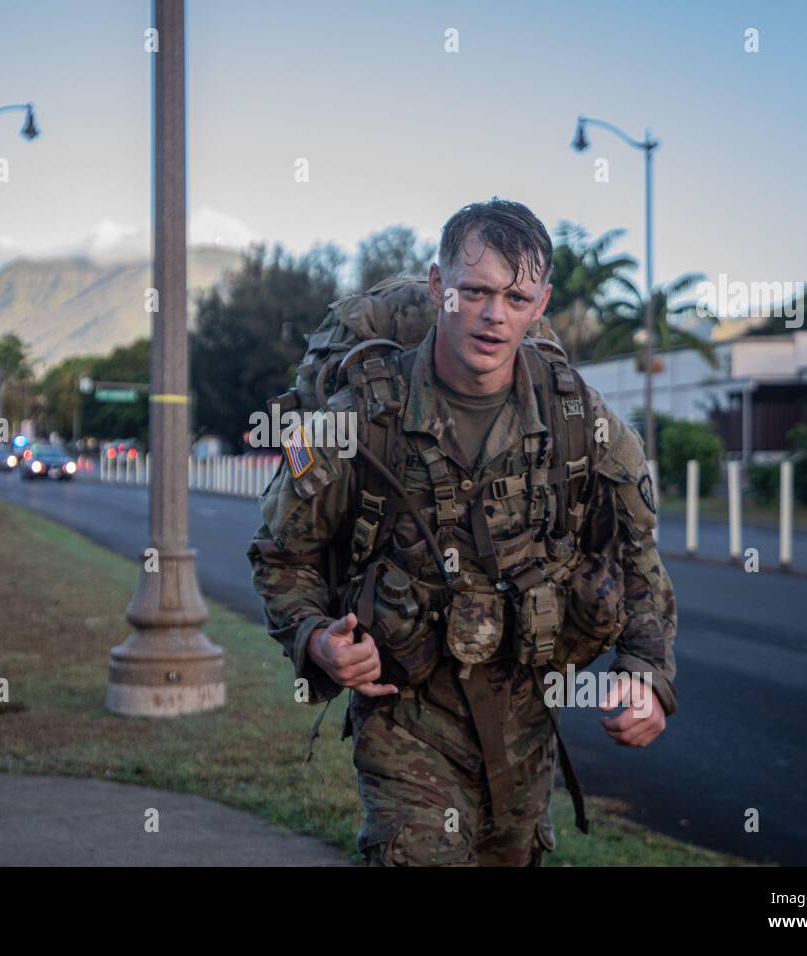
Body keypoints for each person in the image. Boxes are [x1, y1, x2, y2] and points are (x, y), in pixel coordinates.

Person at [247, 198, 676, 866]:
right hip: (405, 718)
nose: (493, 314)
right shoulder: (360, 419)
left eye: (516, 295)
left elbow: (635, 554)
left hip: (527, 717)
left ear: (541, 304)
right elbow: (282, 556)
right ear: (439, 288)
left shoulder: (578, 420)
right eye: (474, 291)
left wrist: (647, 673)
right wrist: (316, 639)